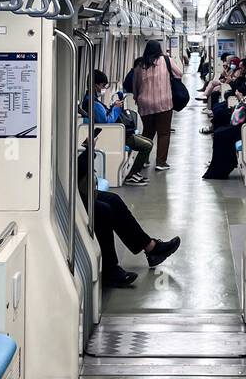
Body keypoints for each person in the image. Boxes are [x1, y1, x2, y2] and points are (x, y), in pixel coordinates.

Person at [78, 141, 180, 285]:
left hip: (75, 191)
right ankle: (109, 270)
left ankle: (150, 247)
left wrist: (88, 153)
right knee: (102, 210)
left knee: (113, 200)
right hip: (71, 195)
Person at [81, 69, 152, 184]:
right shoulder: (93, 104)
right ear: (95, 86)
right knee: (147, 145)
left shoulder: (91, 101)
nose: (104, 89)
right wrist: (116, 108)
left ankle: (133, 172)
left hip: (115, 134)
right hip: (114, 135)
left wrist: (113, 107)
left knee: (148, 141)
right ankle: (132, 175)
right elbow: (107, 122)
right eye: (102, 86)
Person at [132, 39, 183, 171]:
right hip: (164, 102)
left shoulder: (139, 64)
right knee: (164, 133)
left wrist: (137, 98)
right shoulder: (166, 60)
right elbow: (179, 74)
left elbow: (135, 84)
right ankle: (161, 162)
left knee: (148, 131)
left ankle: (143, 160)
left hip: (145, 103)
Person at [202, 85, 246, 180]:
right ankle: (216, 165)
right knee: (219, 130)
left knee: (221, 134)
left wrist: (241, 100)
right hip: (243, 121)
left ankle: (221, 168)